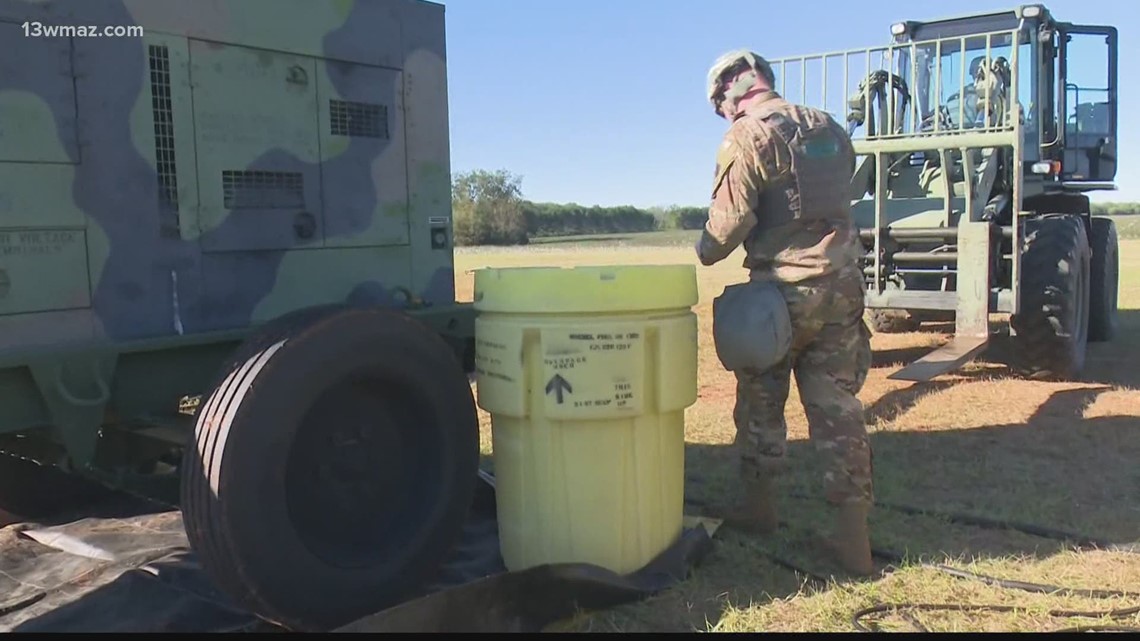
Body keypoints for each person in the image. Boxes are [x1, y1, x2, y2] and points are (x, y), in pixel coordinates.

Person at [696, 50, 875, 576]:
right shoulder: (830, 129)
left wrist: (702, 249)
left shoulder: (748, 136)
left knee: (760, 403)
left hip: (781, 296)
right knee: (837, 408)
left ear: (730, 94)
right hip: (841, 290)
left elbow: (724, 232)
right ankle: (853, 542)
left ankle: (758, 512)